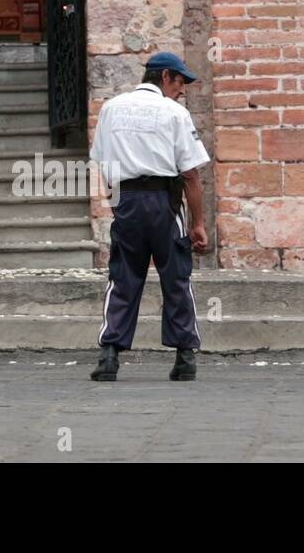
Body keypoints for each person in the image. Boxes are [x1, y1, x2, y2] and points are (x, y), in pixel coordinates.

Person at [88, 52, 211, 382]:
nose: (182, 90)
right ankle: (184, 356)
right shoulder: (174, 112)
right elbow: (191, 175)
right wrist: (198, 223)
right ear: (166, 76)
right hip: (164, 203)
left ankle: (109, 354)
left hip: (126, 200)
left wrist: (117, 206)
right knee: (176, 277)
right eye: (181, 82)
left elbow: (104, 165)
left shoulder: (111, 109)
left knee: (123, 276)